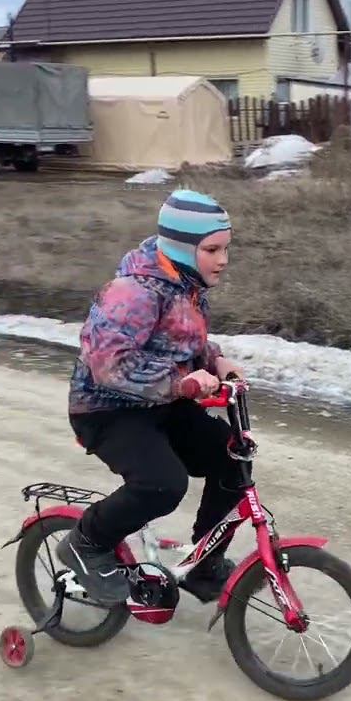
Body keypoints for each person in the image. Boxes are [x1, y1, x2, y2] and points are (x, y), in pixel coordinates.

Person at [58, 189, 246, 607]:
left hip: (159, 402)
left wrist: (215, 361)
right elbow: (110, 364)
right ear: (181, 248)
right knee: (163, 483)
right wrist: (182, 384)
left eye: (225, 248)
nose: (223, 260)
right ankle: (86, 543)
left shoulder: (186, 285)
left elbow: (178, 343)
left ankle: (204, 563)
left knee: (233, 455)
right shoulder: (132, 293)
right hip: (107, 409)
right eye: (212, 250)